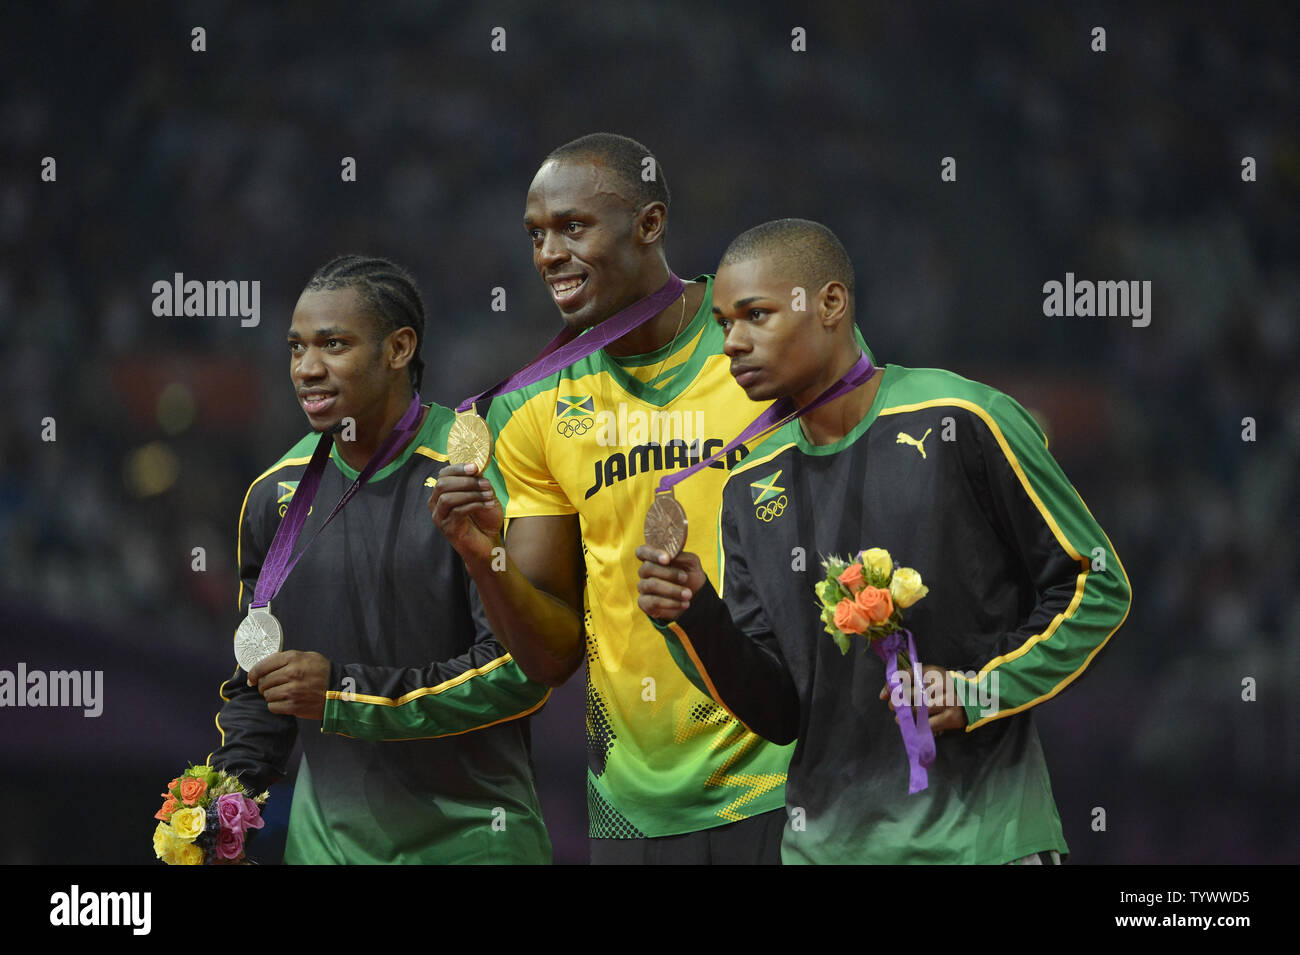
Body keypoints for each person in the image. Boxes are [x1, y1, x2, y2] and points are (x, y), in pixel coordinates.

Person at [636, 219, 1133, 864]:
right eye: (724, 324)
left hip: (981, 844)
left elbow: (1095, 584)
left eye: (755, 316)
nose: (732, 343)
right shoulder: (749, 483)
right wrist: (696, 615)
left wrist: (980, 690)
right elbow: (782, 711)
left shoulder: (962, 419)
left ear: (830, 305)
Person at [431, 134, 817, 863]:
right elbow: (552, 658)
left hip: (792, 778)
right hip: (635, 814)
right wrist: (485, 559)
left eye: (573, 227)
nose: (547, 252)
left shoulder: (764, 340)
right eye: (536, 235)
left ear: (650, 224)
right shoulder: (535, 408)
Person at [210, 254, 553, 864]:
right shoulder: (275, 498)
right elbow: (260, 687)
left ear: (398, 349)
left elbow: (518, 673)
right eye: (296, 349)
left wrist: (344, 694)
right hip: (324, 853)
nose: (307, 369)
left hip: (474, 847)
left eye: (334, 345)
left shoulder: (479, 472)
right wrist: (223, 809)